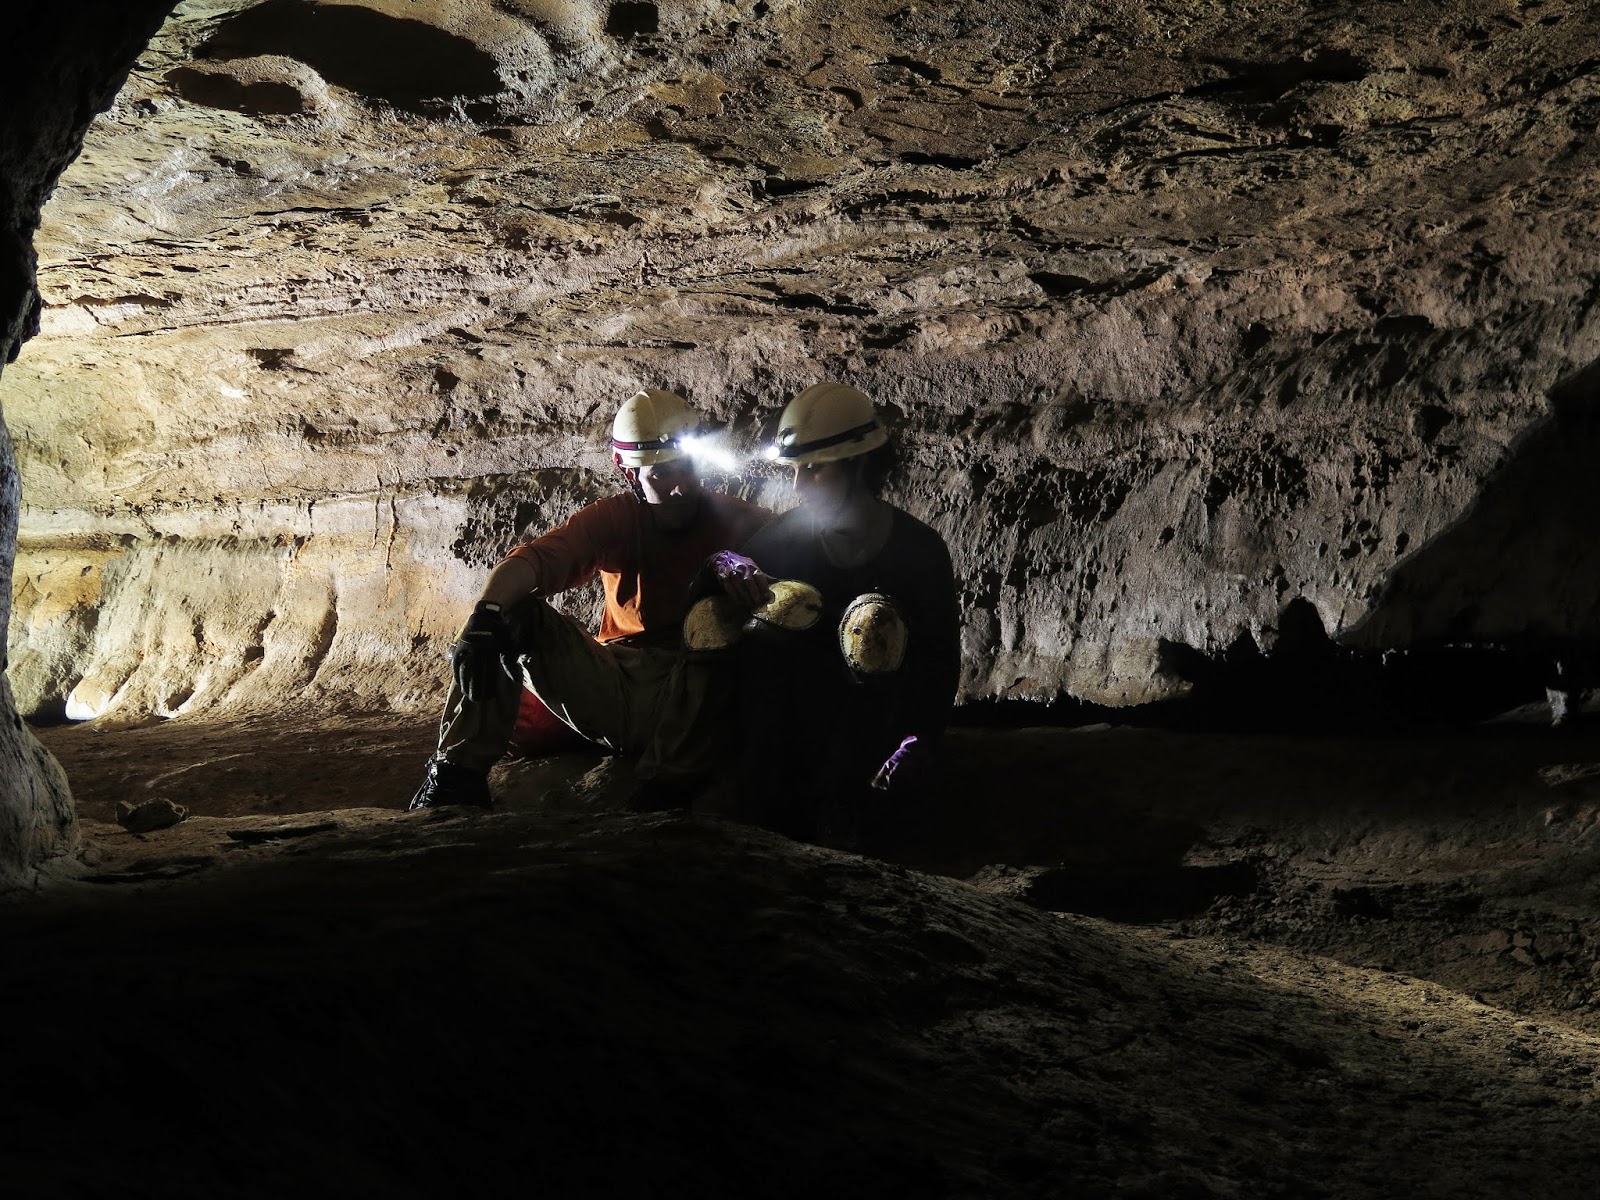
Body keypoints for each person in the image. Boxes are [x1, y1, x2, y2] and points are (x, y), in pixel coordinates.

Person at [410, 388, 769, 810]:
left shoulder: (741, 522)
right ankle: (455, 778)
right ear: (628, 471)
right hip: (616, 684)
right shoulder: (616, 518)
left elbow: (808, 564)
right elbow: (533, 561)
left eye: (687, 467)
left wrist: (747, 569)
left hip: (692, 690)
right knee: (509, 615)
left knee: (731, 636)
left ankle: (670, 783)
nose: (681, 487)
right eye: (662, 474)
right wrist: (484, 615)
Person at [706, 382, 961, 850]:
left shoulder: (918, 552)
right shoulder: (782, 542)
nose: (798, 485)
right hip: (790, 744)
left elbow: (940, 660)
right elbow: (707, 607)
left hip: (871, 738)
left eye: (814, 470)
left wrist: (920, 739)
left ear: (859, 464)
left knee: (876, 634)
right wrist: (723, 565)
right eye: (795, 470)